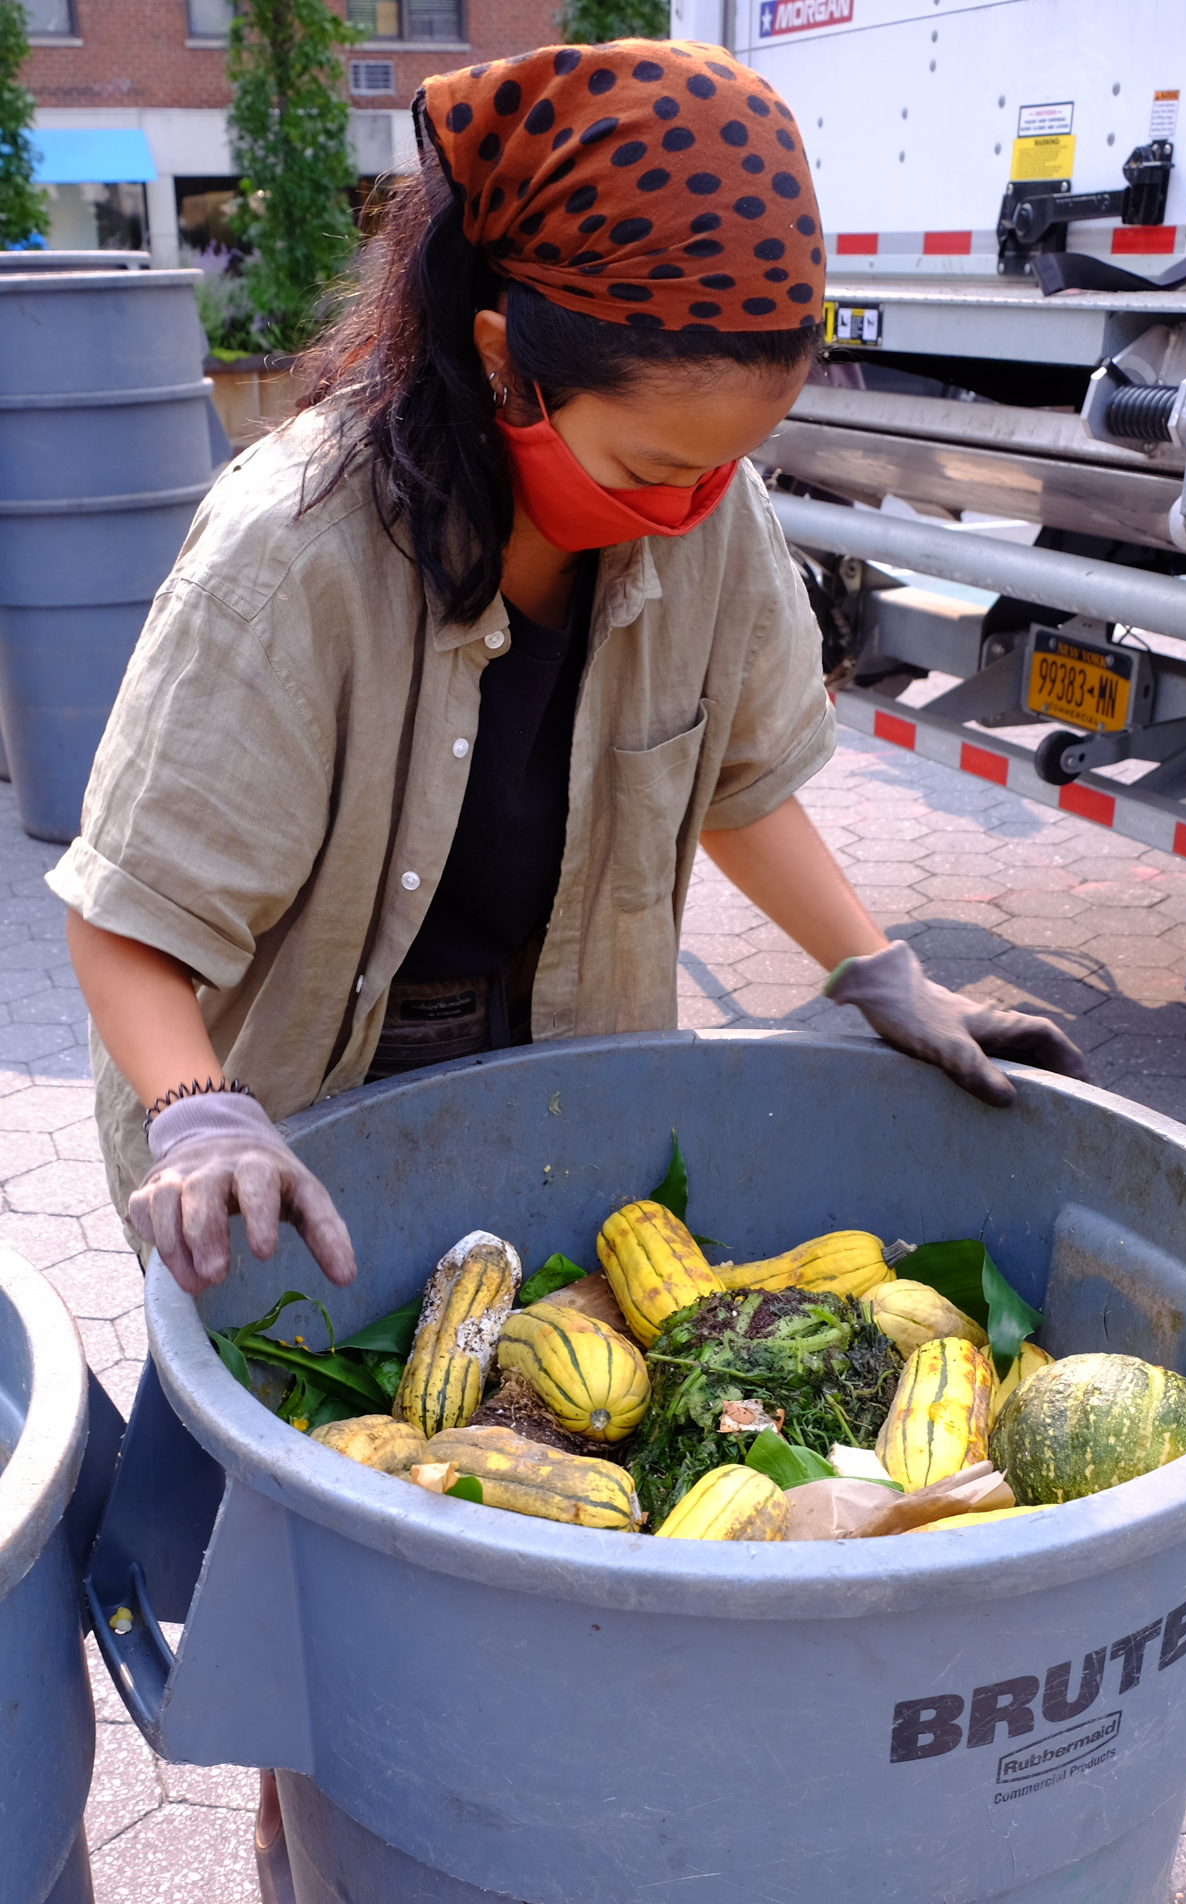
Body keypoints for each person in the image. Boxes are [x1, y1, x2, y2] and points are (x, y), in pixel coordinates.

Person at [51, 43, 1085, 1894]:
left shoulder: (705, 518)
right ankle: (331, 1847)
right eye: (651, 464)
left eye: (733, 468)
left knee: (561, 1628)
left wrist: (878, 974)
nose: (695, 508)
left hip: (557, 1104)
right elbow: (126, 915)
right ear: (505, 350)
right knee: (336, 1647)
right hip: (298, 1157)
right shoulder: (290, 557)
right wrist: (199, 1106)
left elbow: (738, 781)